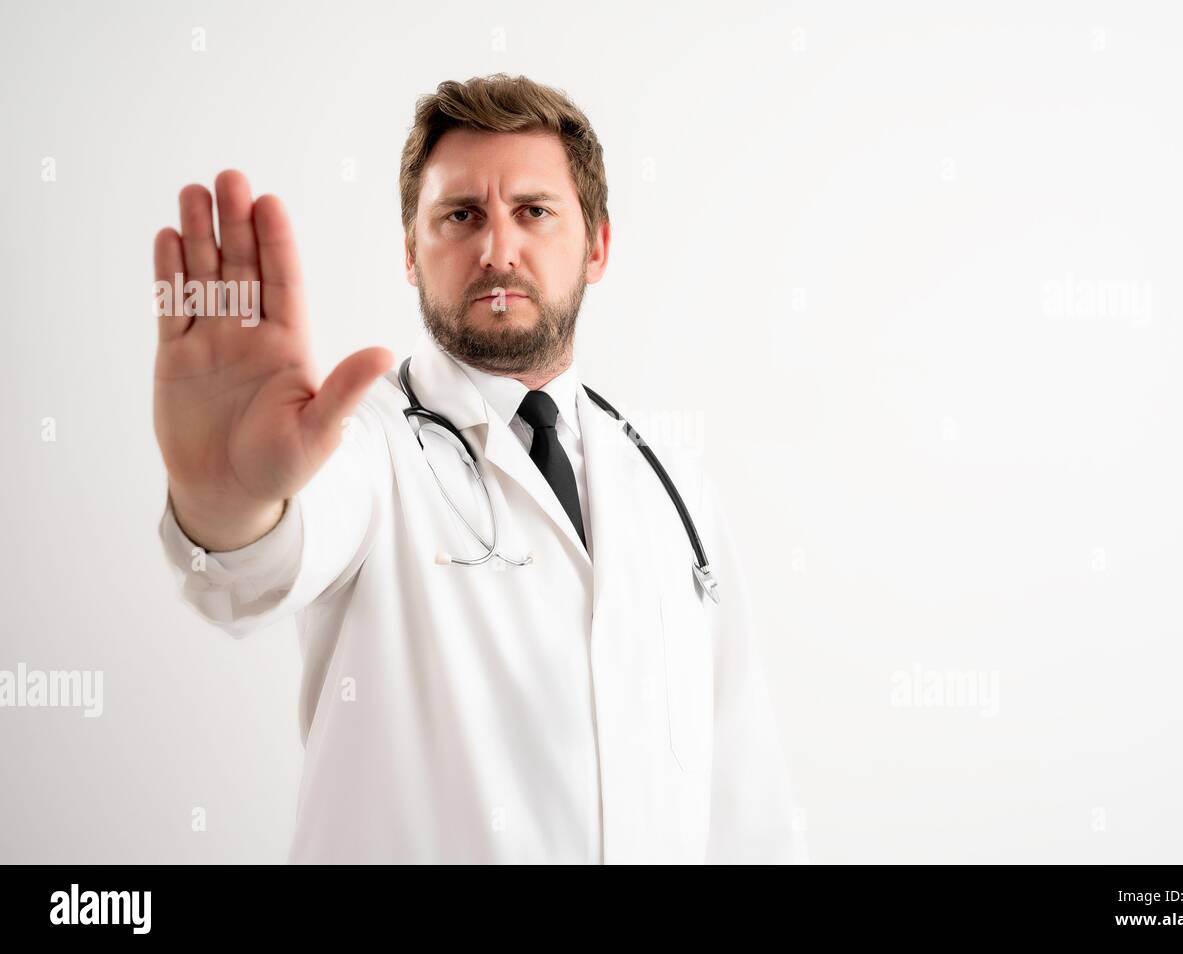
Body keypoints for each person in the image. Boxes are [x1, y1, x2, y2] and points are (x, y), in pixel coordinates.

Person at [153, 73, 808, 864]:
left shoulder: (671, 484)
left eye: (533, 211)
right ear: (409, 251)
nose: (498, 248)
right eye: (461, 215)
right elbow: (260, 560)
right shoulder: (365, 448)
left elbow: (742, 794)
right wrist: (226, 502)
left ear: (596, 245)